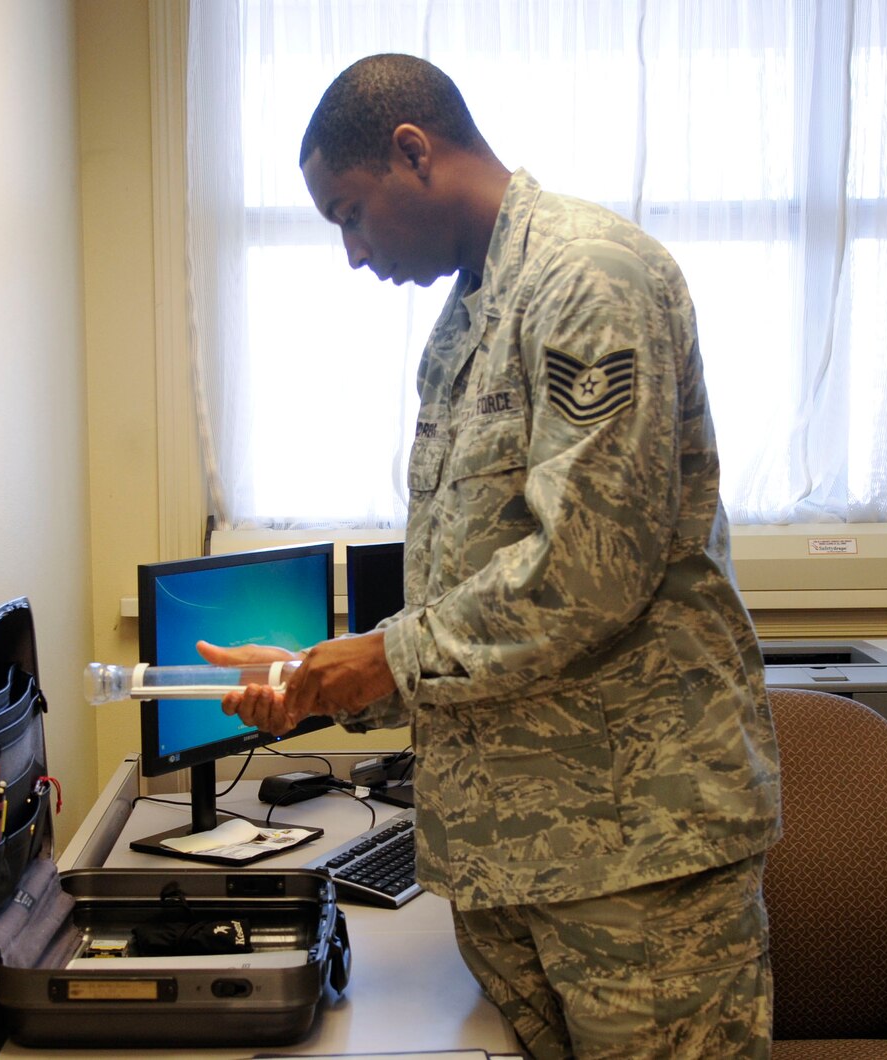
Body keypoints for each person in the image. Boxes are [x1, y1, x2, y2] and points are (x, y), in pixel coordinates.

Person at [198, 53, 781, 1059]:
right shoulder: (468, 316)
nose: (350, 252)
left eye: (348, 211)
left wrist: (376, 659)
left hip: (633, 856)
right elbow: (468, 590)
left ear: (412, 152)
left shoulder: (586, 278)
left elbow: (586, 571)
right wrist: (323, 682)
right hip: (517, 857)